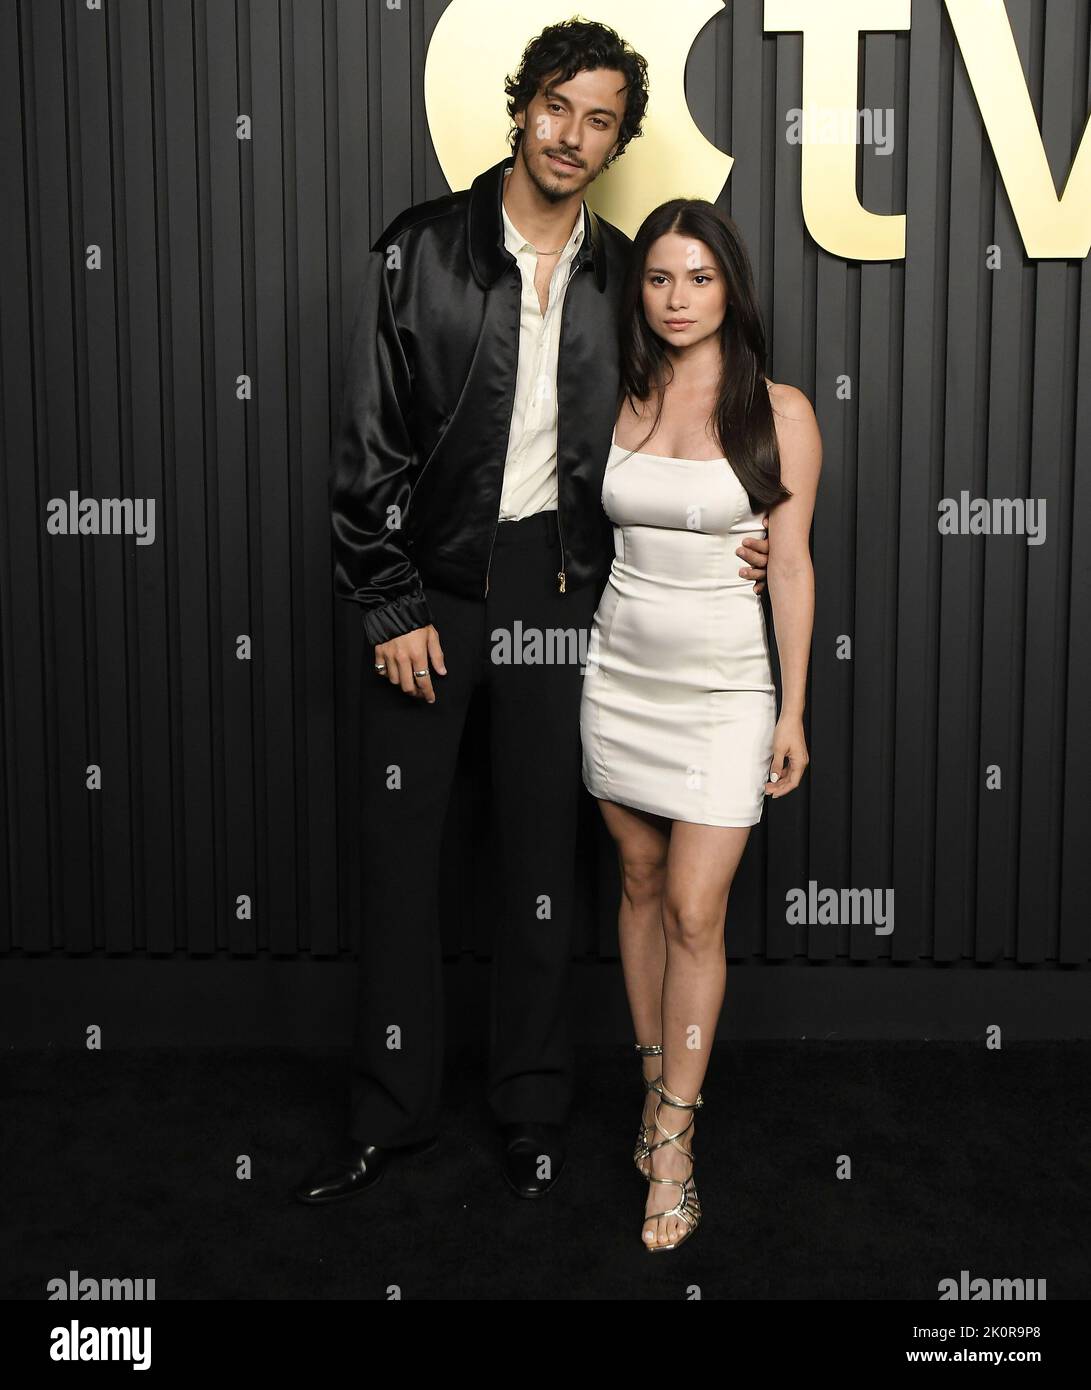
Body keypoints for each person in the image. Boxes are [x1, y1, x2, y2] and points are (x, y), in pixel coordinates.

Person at [296, 20, 770, 1207]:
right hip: (428, 589)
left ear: (619, 138)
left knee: (537, 864)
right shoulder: (420, 250)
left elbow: (686, 415)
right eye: (557, 106)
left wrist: (735, 527)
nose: (572, 135)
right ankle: (390, 1113)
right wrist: (389, 597)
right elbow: (367, 437)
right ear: (522, 107)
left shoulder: (623, 276)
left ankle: (531, 1106)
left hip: (560, 591)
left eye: (599, 117)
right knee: (401, 864)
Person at [580, 199, 821, 1250]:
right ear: (640, 292)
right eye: (658, 279)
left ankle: (673, 1137)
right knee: (636, 883)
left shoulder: (779, 411)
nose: (676, 300)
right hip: (618, 672)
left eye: (699, 279)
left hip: (725, 689)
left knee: (691, 908)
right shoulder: (615, 394)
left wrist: (794, 708)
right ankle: (651, 1083)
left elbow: (793, 561)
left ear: (732, 290)